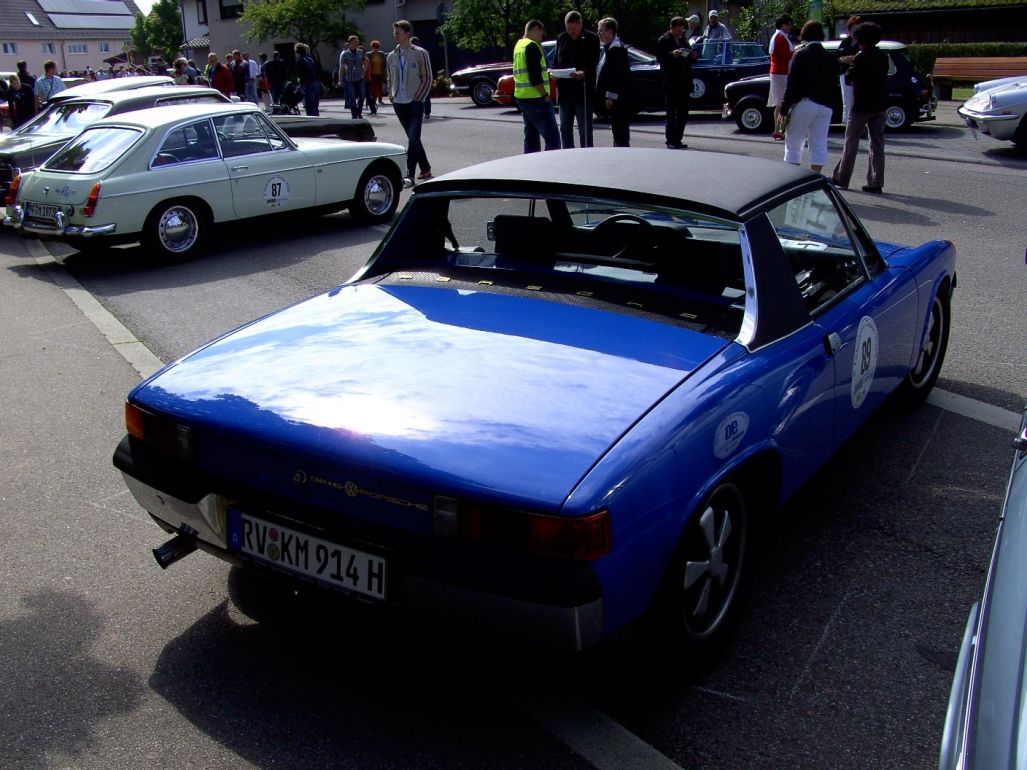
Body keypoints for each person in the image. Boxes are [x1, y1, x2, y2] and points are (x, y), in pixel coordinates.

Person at [832, 22, 889, 193]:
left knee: (851, 142)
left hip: (861, 105)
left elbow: (849, 79)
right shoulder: (883, 56)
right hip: (879, 104)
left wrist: (849, 62)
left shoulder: (859, 57)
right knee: (877, 144)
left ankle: (842, 177)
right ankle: (875, 181)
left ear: (860, 39)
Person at [779, 21, 836, 173]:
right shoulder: (830, 57)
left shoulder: (801, 54)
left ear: (804, 35)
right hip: (825, 106)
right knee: (819, 143)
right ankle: (815, 177)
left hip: (804, 102)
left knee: (794, 143)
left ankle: (791, 179)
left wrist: (783, 110)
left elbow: (792, 85)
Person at [387, 20, 432, 183]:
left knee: (413, 139)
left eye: (398, 33)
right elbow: (389, 77)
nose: (395, 36)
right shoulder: (391, 56)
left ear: (407, 34)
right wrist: (391, 96)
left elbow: (427, 78)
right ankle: (425, 168)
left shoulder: (419, 53)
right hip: (399, 102)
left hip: (414, 102)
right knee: (414, 138)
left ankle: (409, 174)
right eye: (394, 33)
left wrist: (419, 97)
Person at [513, 19, 561, 154]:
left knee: (531, 136)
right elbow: (534, 77)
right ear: (535, 29)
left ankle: (530, 165)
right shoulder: (531, 46)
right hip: (537, 97)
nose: (542, 37)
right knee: (553, 138)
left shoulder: (519, 45)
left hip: (523, 97)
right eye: (541, 34)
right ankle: (551, 166)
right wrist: (545, 95)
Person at [555, 10, 600, 148]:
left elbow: (594, 63)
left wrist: (584, 74)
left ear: (580, 24)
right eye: (568, 29)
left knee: (585, 129)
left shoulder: (591, 38)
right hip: (565, 91)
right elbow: (557, 61)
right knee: (565, 128)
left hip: (582, 91)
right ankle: (568, 155)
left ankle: (587, 155)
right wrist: (554, 73)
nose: (571, 32)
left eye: (574, 29)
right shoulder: (562, 38)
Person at [657, 15, 697, 149]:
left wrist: (692, 56)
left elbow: (688, 58)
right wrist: (671, 55)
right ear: (672, 28)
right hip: (671, 82)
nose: (681, 33)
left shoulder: (683, 39)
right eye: (678, 30)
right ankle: (671, 140)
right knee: (671, 113)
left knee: (683, 112)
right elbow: (660, 59)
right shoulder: (664, 40)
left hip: (684, 81)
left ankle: (678, 138)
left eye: (682, 30)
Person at [596, 17, 631, 147]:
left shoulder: (616, 49)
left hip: (618, 98)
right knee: (616, 127)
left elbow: (616, 76)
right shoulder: (610, 48)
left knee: (620, 127)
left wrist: (610, 97)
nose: (599, 34)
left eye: (601, 31)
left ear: (610, 32)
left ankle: (621, 149)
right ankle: (619, 147)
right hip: (616, 97)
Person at [767, 13, 794, 140]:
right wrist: (796, 51)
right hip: (781, 72)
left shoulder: (779, 36)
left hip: (778, 72)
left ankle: (778, 129)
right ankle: (778, 129)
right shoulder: (780, 37)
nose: (789, 27)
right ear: (782, 24)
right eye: (788, 24)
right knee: (781, 102)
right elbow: (786, 56)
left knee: (779, 102)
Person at [837, 15, 861, 124]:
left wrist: (854, 59)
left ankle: (860, 124)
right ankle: (847, 123)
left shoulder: (862, 43)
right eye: (854, 27)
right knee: (846, 100)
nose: (855, 29)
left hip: (859, 74)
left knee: (858, 99)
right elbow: (838, 56)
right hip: (845, 73)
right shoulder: (845, 42)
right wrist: (844, 59)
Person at [338, 36, 367, 119]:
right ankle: (354, 114)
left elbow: (365, 61)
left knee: (362, 95)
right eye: (355, 42)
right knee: (352, 97)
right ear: (350, 43)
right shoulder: (345, 54)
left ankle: (359, 111)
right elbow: (342, 67)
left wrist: (364, 70)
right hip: (350, 78)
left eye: (357, 42)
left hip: (360, 77)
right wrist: (340, 80)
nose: (356, 44)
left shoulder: (360, 52)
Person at [295, 43, 322, 116]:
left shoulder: (300, 61)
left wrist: (301, 83)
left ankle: (312, 121)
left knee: (309, 105)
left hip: (308, 83)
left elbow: (300, 74)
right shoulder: (310, 59)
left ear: (297, 52)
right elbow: (318, 69)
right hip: (316, 82)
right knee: (315, 104)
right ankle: (317, 117)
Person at [409, 38, 432, 118]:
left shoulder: (411, 53)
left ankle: (418, 112)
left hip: (416, 76)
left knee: (416, 95)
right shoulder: (425, 52)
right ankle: (427, 112)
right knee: (426, 94)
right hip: (425, 74)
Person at [367, 41, 387, 109]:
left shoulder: (381, 54)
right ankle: (373, 100)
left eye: (377, 47)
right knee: (373, 88)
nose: (375, 49)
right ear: (372, 47)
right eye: (374, 47)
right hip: (372, 73)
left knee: (380, 87)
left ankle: (380, 100)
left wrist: (385, 73)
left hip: (380, 73)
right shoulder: (369, 54)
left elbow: (384, 64)